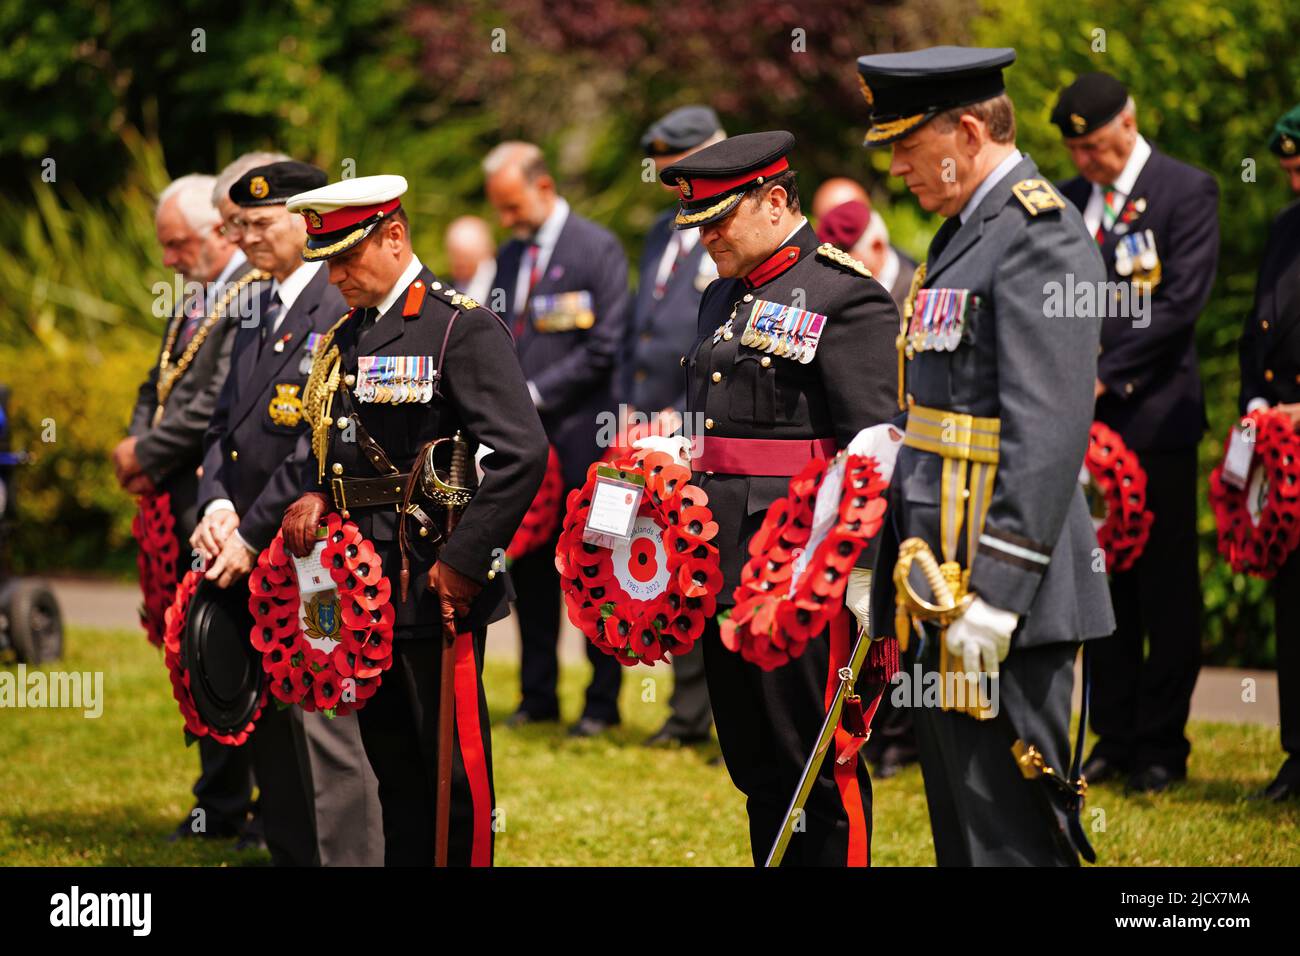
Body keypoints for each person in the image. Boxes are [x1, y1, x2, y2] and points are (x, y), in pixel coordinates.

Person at [859, 45, 1115, 865]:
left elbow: (1048, 432)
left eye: (906, 145)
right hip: (942, 584)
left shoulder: (1038, 235)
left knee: (1014, 838)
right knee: (966, 837)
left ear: (967, 133)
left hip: (1005, 600)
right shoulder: (964, 233)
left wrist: (998, 596)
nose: (896, 167)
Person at [280, 174, 549, 865]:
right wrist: (317, 494)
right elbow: (333, 446)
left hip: (432, 580)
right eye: (327, 263)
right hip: (360, 587)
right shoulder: (345, 335)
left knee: (449, 777)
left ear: (394, 237)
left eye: (347, 258)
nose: (335, 276)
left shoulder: (459, 325)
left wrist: (464, 564)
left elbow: (521, 452)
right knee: (393, 772)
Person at [662, 130, 898, 865]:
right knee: (757, 766)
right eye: (697, 224)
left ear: (774, 201)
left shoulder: (844, 293)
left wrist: (862, 581)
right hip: (722, 566)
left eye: (718, 221)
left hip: (800, 573)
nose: (705, 238)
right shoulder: (721, 296)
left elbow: (876, 451)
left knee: (817, 766)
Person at [192, 159, 385, 865]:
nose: (244, 238)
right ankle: (293, 853)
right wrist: (215, 501)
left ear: (306, 222)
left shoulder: (339, 304)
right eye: (237, 225)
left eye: (260, 223)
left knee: (326, 712)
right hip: (248, 546)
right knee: (272, 711)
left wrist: (249, 531)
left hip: (312, 555)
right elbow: (222, 427)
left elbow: (322, 445)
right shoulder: (256, 305)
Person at [1052, 71, 1220, 794]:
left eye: (1094, 145)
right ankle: (1113, 736)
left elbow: (1180, 302)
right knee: (1101, 583)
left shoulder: (1185, 190)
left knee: (1163, 585)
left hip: (1153, 419)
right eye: (1076, 150)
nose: (1085, 160)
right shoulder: (1068, 199)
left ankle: (1160, 745)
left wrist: (1105, 374)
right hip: (1081, 428)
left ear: (1130, 119)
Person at [116, 173, 262, 846]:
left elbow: (213, 406)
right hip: (178, 493)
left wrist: (146, 452)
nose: (169, 258)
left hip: (219, 498)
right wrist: (137, 446)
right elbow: (158, 384)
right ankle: (219, 802)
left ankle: (249, 805)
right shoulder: (197, 294)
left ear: (217, 231)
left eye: (177, 244)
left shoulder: (252, 292)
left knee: (230, 649)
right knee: (197, 649)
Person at [484, 142, 631, 737]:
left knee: (596, 571)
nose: (506, 219)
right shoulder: (509, 256)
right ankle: (538, 693)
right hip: (527, 449)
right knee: (531, 571)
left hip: (587, 441)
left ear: (543, 187)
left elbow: (606, 344)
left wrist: (533, 393)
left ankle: (601, 703)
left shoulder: (597, 248)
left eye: (512, 206)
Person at [627, 104, 724, 748]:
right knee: (665, 560)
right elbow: (642, 333)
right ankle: (686, 712)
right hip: (648, 423)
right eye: (663, 166)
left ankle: (706, 710)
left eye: (678, 164)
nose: (669, 178)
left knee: (701, 559)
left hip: (701, 425)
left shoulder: (728, 230)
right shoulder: (662, 231)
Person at [1236, 103, 1300, 802]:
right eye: (1287, 170)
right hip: (1283, 450)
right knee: (1293, 601)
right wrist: (1255, 401)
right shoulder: (1287, 227)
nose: (1296, 181)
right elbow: (1260, 330)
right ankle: (1297, 752)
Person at [817, 201, 918, 321]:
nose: (833, 267)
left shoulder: (919, 288)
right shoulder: (831, 296)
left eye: (842, 255)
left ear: (877, 247)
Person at [444, 215, 497, 304]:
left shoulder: (503, 284)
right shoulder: (446, 288)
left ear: (486, 253)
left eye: (466, 257)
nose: (460, 263)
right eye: (455, 257)